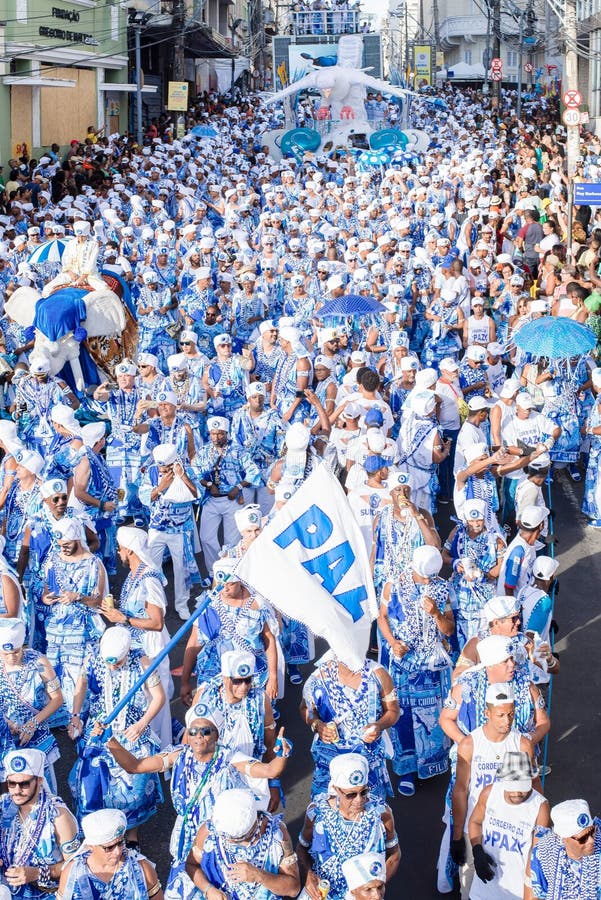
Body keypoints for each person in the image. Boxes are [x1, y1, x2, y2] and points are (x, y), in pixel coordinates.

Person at [104, 704, 292, 899]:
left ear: (217, 735)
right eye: (193, 731)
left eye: (206, 731)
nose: (198, 736)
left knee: (220, 889)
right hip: (186, 840)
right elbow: (134, 766)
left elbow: (270, 770)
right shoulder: (179, 755)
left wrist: (282, 754)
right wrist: (110, 741)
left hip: (219, 840)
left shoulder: (230, 758)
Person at [69, 626, 165, 838]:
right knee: (91, 780)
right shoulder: (93, 657)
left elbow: (159, 697)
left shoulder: (143, 662)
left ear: (128, 651)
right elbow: (81, 683)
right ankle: (98, 832)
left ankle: (131, 834)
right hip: (100, 730)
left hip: (132, 732)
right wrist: (75, 715)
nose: (112, 668)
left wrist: (141, 724)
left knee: (132, 788)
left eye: (119, 663)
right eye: (108, 663)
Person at [449, 683, 540, 899]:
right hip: (476, 827)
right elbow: (461, 790)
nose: (506, 721)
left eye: (511, 714)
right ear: (487, 713)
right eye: (500, 715)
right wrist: (457, 835)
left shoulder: (522, 745)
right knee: (469, 883)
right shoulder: (470, 744)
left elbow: (535, 788)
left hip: (511, 830)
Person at [378, 545, 454, 795]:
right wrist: (392, 643)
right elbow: (382, 618)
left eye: (431, 576)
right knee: (403, 716)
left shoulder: (442, 587)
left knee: (433, 716)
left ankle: (433, 763)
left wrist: (436, 614)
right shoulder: (393, 585)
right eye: (424, 576)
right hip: (404, 664)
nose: (428, 580)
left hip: (432, 666)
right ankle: (407, 769)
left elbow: (449, 630)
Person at [101, 526, 172, 745]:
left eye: (121, 549)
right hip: (134, 645)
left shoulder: (149, 580)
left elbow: (157, 622)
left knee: (154, 699)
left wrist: (124, 619)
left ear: (130, 550)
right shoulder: (134, 574)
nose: (118, 553)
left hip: (151, 646)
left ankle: (159, 749)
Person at [297, 755, 400, 900]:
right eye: (351, 795)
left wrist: (373, 887)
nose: (359, 800)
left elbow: (394, 855)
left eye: (364, 792)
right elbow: (301, 848)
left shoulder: (382, 814)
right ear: (335, 789)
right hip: (323, 893)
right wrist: (308, 877)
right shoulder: (317, 813)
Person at [301, 653, 399, 801]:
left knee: (368, 811)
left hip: (367, 760)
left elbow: (393, 710)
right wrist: (317, 725)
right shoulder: (318, 677)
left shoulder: (378, 674)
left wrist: (379, 726)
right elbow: (305, 708)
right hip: (329, 760)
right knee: (327, 811)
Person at [41, 517, 107, 725]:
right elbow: (44, 592)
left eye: (67, 544)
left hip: (81, 632)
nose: (64, 549)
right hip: (55, 631)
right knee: (55, 674)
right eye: (60, 545)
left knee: (78, 676)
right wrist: (47, 598)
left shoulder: (94, 563)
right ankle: (60, 719)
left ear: (77, 539)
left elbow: (99, 602)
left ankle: (77, 719)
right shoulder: (52, 560)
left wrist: (78, 596)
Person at [182, 560, 278, 696]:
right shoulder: (208, 604)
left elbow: (269, 640)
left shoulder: (258, 604)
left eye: (230, 584)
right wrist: (185, 681)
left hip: (249, 675)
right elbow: (194, 642)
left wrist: (273, 677)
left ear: (240, 580)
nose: (225, 589)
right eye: (221, 584)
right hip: (214, 673)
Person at [185, 787, 301, 900]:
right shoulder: (208, 832)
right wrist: (208, 889)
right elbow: (191, 865)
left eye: (235, 839)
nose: (226, 840)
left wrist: (259, 875)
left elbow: (293, 888)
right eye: (224, 836)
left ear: (253, 827)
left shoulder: (277, 835)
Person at [468, 751, 550, 899]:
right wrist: (477, 850)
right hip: (484, 888)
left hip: (517, 892)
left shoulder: (540, 807)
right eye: (513, 786)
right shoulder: (489, 793)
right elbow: (475, 822)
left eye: (523, 786)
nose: (518, 793)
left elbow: (537, 854)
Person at [0, 748, 79, 899]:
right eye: (12, 783)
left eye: (24, 784)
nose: (17, 791)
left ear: (40, 780)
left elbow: (76, 866)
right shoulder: (3, 806)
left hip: (46, 894)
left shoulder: (58, 816)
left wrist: (38, 873)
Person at [139, 442, 200, 620]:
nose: (162, 470)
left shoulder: (187, 470)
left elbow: (198, 495)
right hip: (156, 528)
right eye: (160, 466)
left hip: (179, 530)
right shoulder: (151, 471)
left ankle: (182, 605)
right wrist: (160, 488)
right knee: (152, 567)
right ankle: (158, 603)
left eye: (165, 467)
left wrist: (184, 478)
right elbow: (144, 498)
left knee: (180, 569)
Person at [0, 618, 63, 785]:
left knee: (44, 786)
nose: (12, 657)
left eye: (16, 651)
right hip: (6, 738)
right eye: (5, 654)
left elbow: (57, 699)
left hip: (38, 734)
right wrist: (7, 722)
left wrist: (33, 723)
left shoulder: (39, 662)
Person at [57, 808, 164, 900]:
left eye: (120, 843)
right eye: (109, 847)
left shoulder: (143, 869)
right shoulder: (72, 873)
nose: (118, 851)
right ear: (90, 846)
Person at [526, 798, 601, 899]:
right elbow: (533, 896)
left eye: (592, 832)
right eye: (583, 838)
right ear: (563, 838)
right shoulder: (543, 854)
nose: (591, 840)